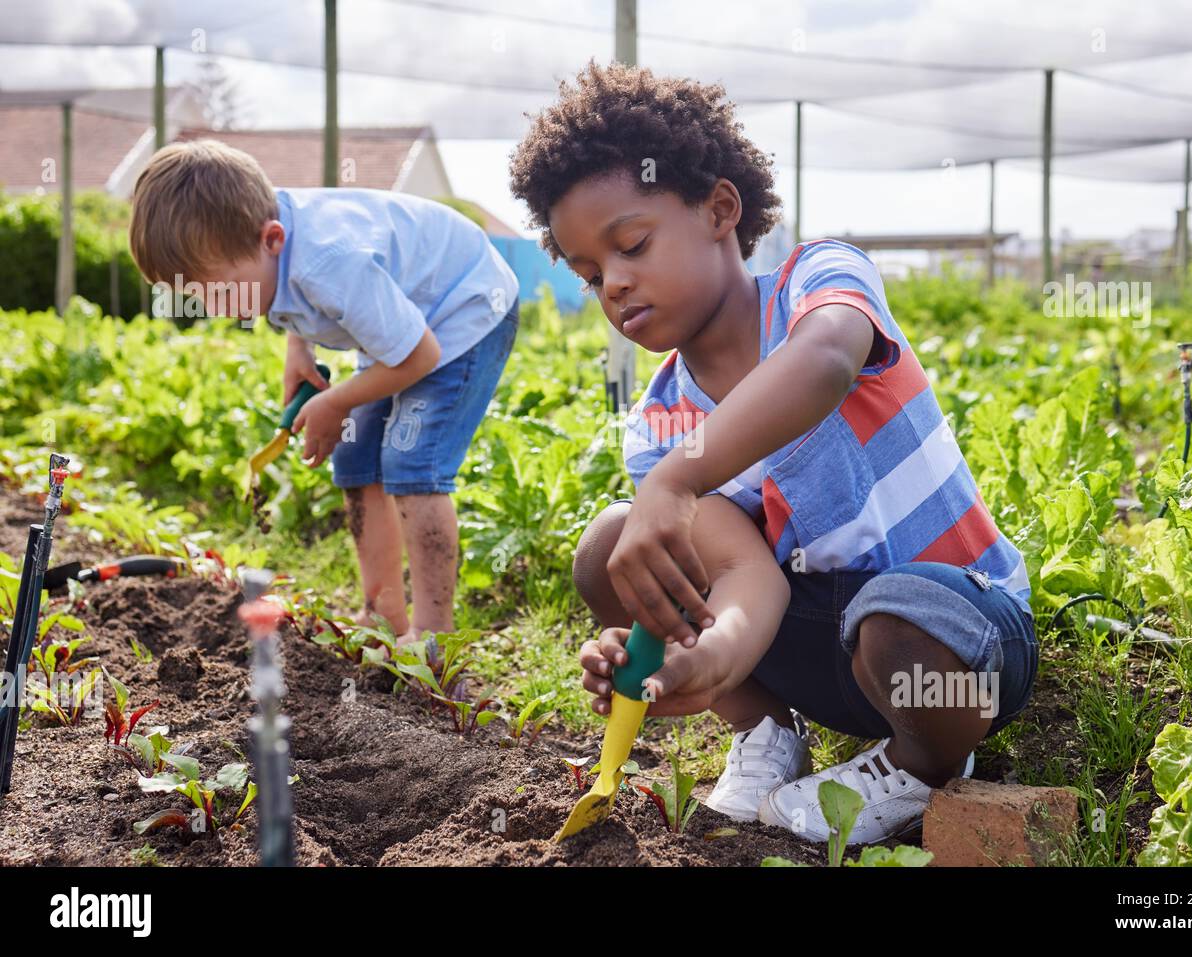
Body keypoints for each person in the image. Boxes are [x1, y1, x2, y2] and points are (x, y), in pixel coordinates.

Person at [509, 62, 1038, 845]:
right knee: (614, 545)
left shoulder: (817, 282)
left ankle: (923, 765)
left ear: (721, 208)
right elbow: (744, 575)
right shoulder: (658, 420)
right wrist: (706, 661)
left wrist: (682, 479)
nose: (614, 284)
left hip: (955, 645)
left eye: (633, 244)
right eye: (591, 275)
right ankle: (764, 732)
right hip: (817, 649)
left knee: (896, 610)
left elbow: (824, 362)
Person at [130, 139, 520, 645]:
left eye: (219, 290)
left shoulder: (330, 263)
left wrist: (336, 401)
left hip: (463, 309)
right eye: (193, 296)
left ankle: (433, 640)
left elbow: (418, 356)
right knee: (356, 456)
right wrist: (300, 347)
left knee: (412, 461)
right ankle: (381, 615)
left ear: (272, 238)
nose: (214, 307)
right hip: (398, 323)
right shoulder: (265, 237)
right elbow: (297, 290)